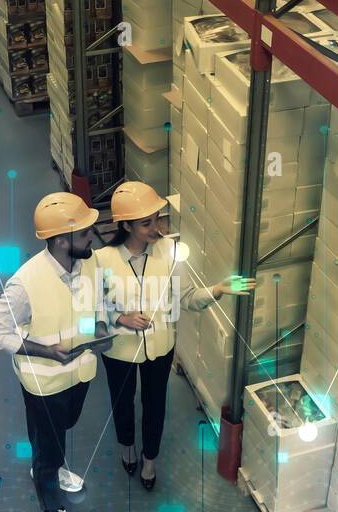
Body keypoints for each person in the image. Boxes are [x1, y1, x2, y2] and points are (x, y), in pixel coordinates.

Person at [95, 181, 255, 491]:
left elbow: (186, 297)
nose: (157, 228)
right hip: (119, 349)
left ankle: (150, 459)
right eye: (147, 223)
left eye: (158, 218)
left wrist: (217, 290)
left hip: (160, 346)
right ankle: (127, 446)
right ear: (126, 225)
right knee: (122, 402)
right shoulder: (102, 260)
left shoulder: (169, 252)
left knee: (155, 404)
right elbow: (90, 307)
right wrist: (121, 318)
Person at [0, 192, 113, 512]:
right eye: (85, 231)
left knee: (61, 429)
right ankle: (52, 511)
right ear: (61, 240)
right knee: (50, 449)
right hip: (45, 382)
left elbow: (98, 302)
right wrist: (45, 351)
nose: (93, 235)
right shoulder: (25, 284)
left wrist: (101, 328)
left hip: (80, 374)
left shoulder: (90, 265)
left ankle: (46, 465)